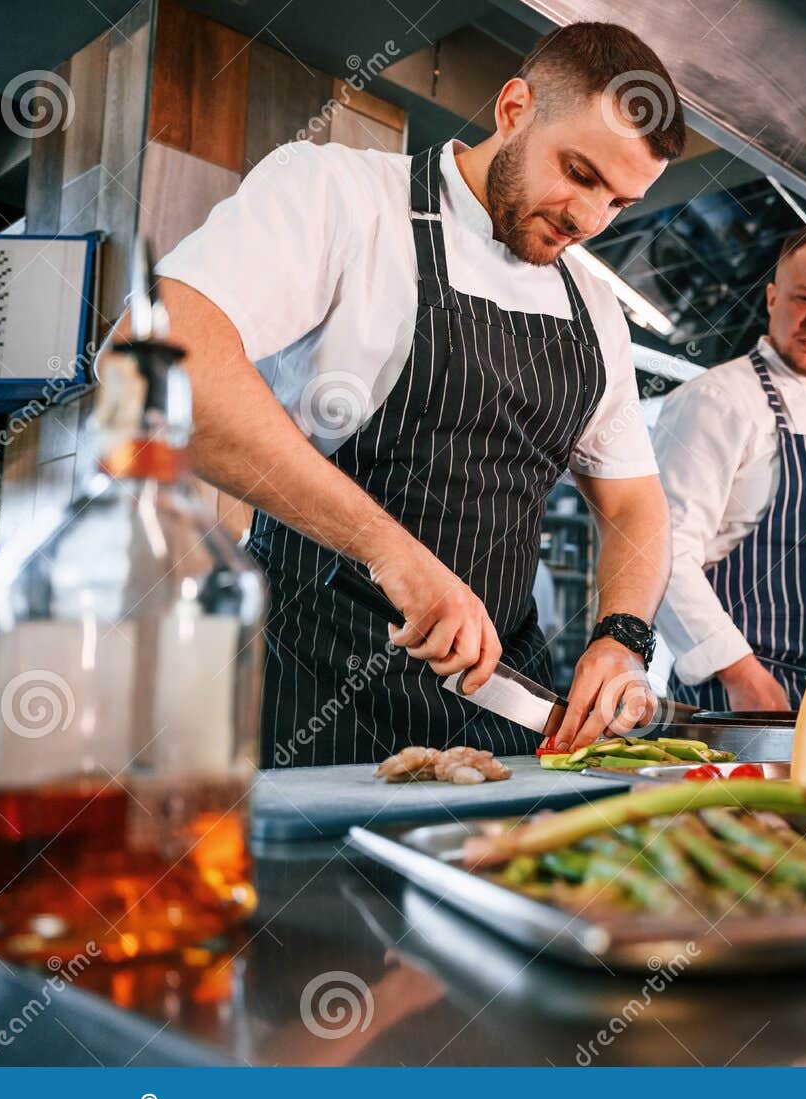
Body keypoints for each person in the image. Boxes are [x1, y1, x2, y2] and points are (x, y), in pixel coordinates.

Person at [140, 23, 683, 765]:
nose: (588, 219)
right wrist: (387, 547)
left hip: (498, 716)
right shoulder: (339, 194)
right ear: (514, 107)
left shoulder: (594, 307)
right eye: (580, 174)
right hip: (306, 690)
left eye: (619, 203)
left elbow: (635, 506)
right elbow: (160, 363)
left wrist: (623, 637)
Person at [652, 226, 806, 710]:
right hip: (740, 693)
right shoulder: (716, 399)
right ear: (772, 297)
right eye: (804, 298)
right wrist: (742, 675)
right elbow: (663, 553)